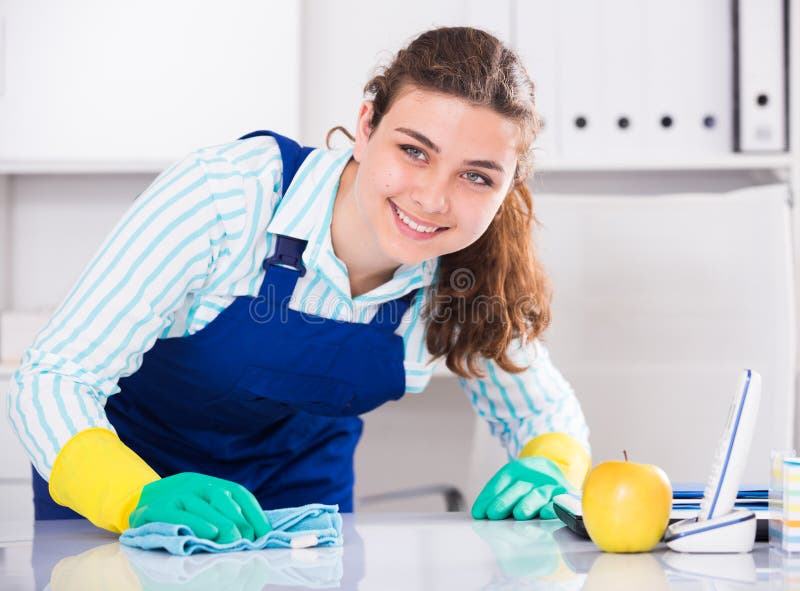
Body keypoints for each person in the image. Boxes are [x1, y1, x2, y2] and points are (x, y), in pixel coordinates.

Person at [7, 26, 590, 543]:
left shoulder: (463, 275)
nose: (433, 199)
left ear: (506, 186)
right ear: (367, 127)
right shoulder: (226, 197)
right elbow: (53, 379)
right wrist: (132, 497)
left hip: (300, 505)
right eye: (414, 150)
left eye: (476, 177)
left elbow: (540, 412)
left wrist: (551, 466)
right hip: (131, 483)